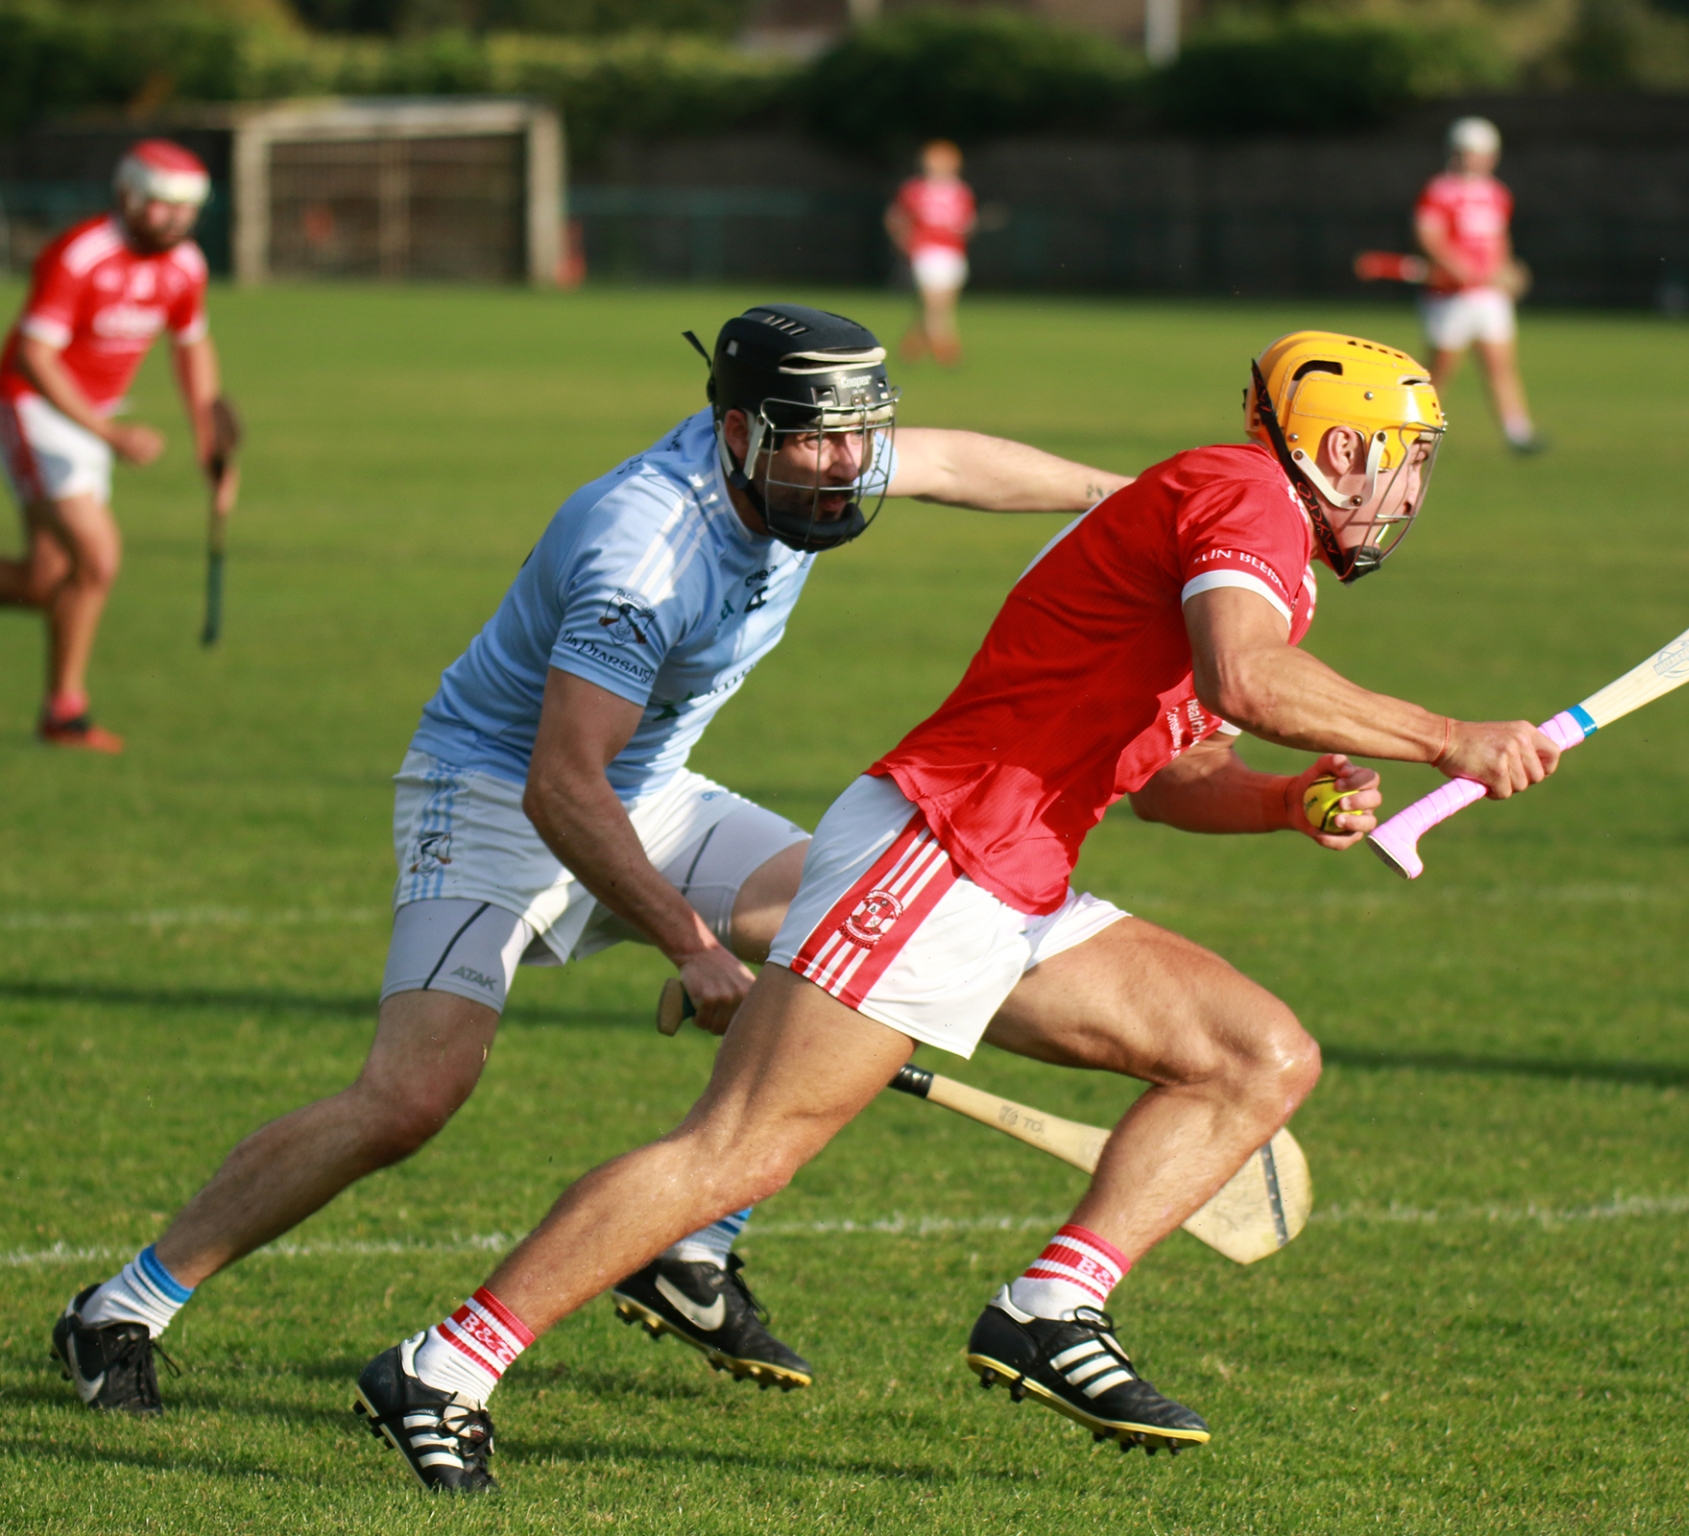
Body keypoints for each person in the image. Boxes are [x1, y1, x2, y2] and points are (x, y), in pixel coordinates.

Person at [354, 330, 1563, 1492]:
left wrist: (1290, 803)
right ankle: (442, 1367)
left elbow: (1175, 775)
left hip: (1016, 872)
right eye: (1404, 456)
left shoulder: (1260, 551)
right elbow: (1246, 678)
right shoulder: (1244, 496)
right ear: (1340, 448)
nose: (1412, 488)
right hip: (938, 848)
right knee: (739, 1150)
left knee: (1255, 1056)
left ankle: (1051, 1309)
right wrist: (1452, 737)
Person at [49, 303, 1133, 1418]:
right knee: (410, 1096)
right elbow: (558, 784)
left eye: (862, 438)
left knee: (860, 935)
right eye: (818, 441)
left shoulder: (807, 448)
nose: (847, 469)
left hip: (649, 793)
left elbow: (959, 463)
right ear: (734, 431)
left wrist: (1134, 503)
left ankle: (692, 1249)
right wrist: (693, 943)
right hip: (491, 794)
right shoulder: (643, 548)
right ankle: (119, 1309)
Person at [0, 140, 233, 752]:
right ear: (129, 195)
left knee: (44, 580)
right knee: (98, 557)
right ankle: (64, 713)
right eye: (163, 206)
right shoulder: (79, 256)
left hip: (92, 417)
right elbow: (33, 355)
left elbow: (192, 347)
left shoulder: (185, 264)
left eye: (188, 209)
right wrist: (109, 434)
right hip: (35, 405)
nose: (177, 221)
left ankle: (59, 714)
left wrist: (210, 443)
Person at [1414, 117, 1543, 455]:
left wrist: (1507, 270)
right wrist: (1460, 268)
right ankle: (1419, 433)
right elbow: (1430, 237)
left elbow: (1499, 240)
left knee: (1500, 366)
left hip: (1489, 297)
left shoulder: (1498, 194)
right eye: (1470, 152)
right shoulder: (1439, 191)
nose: (1476, 159)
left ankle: (1518, 433)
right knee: (1440, 371)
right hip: (1451, 298)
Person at [885, 140, 977, 367]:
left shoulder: (961, 191)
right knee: (934, 306)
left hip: (953, 253)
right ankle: (948, 351)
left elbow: (968, 223)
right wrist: (901, 240)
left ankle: (911, 348)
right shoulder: (914, 189)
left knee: (939, 308)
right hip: (925, 252)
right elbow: (895, 218)